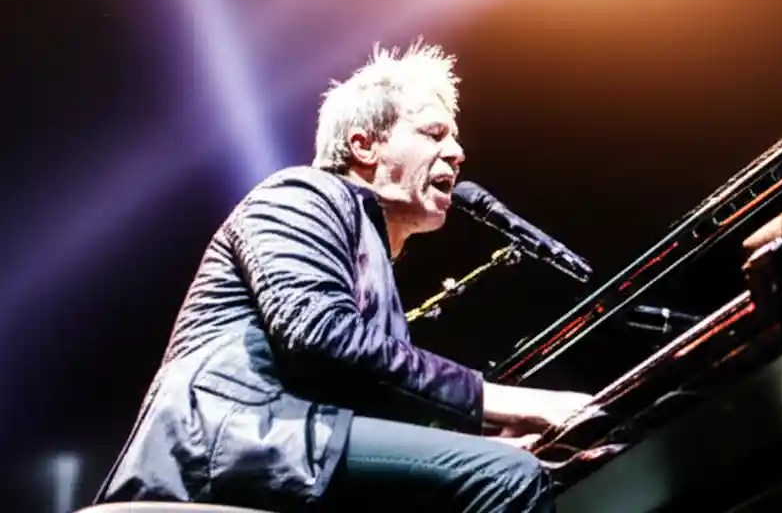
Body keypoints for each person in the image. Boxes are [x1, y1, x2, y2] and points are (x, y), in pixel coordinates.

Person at [94, 40, 594, 512]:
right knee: (507, 477)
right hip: (229, 441)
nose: (458, 152)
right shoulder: (299, 195)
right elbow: (318, 334)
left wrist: (475, 440)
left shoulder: (370, 254)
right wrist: (511, 403)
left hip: (291, 441)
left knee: (504, 467)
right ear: (365, 145)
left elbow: (359, 392)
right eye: (434, 133)